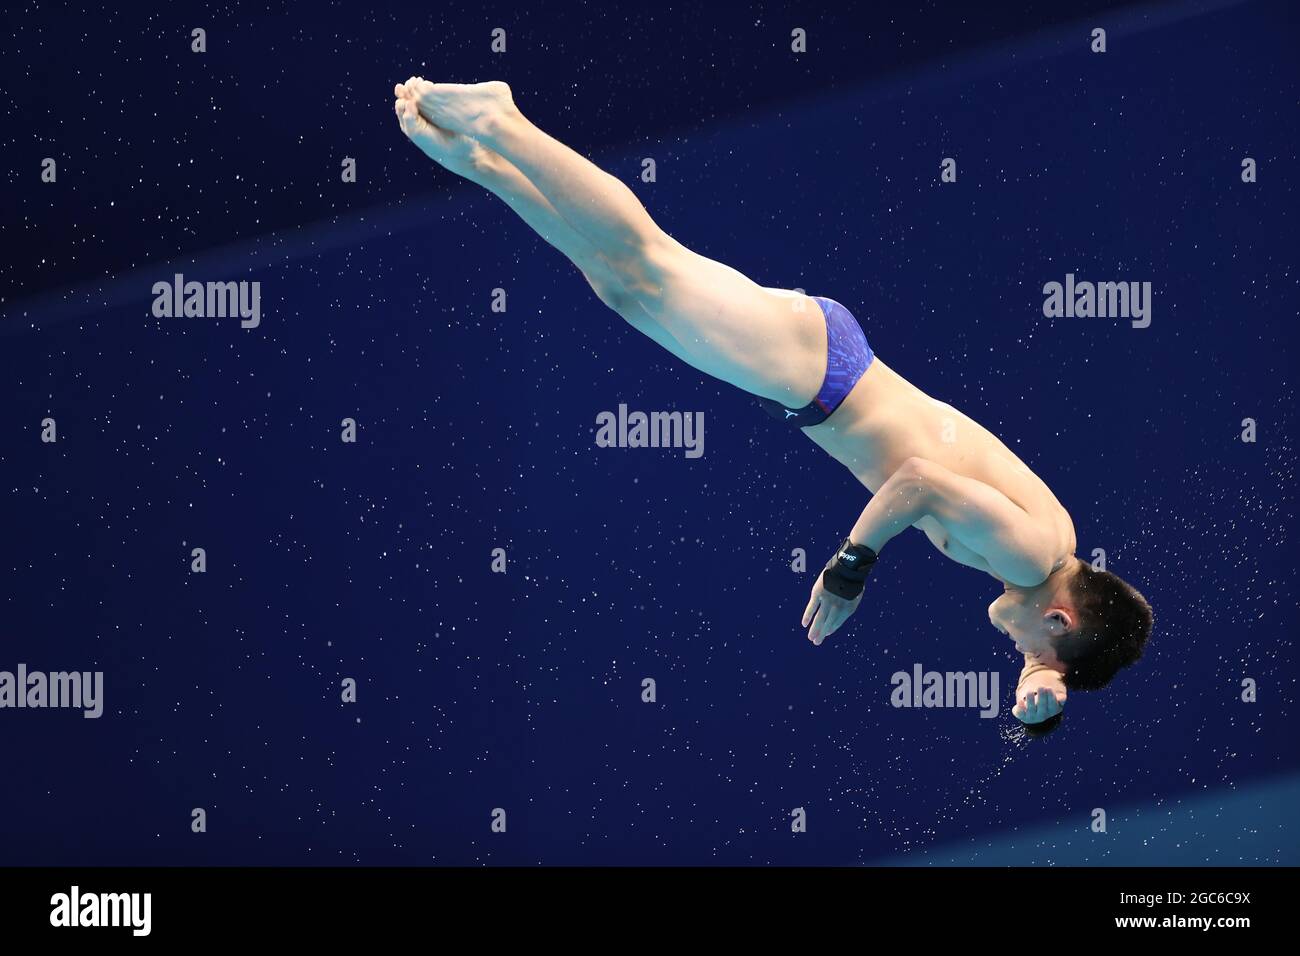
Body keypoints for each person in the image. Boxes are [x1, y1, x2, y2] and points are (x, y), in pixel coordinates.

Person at [392, 79, 1153, 736]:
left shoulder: (1048, 548)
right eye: (1029, 652)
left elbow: (1034, 642)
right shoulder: (1029, 558)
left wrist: (1041, 688)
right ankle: (502, 123)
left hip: (819, 374)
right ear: (1063, 619)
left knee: (622, 288)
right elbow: (919, 478)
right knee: (647, 264)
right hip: (825, 376)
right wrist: (848, 570)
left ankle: (484, 163)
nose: (1013, 649)